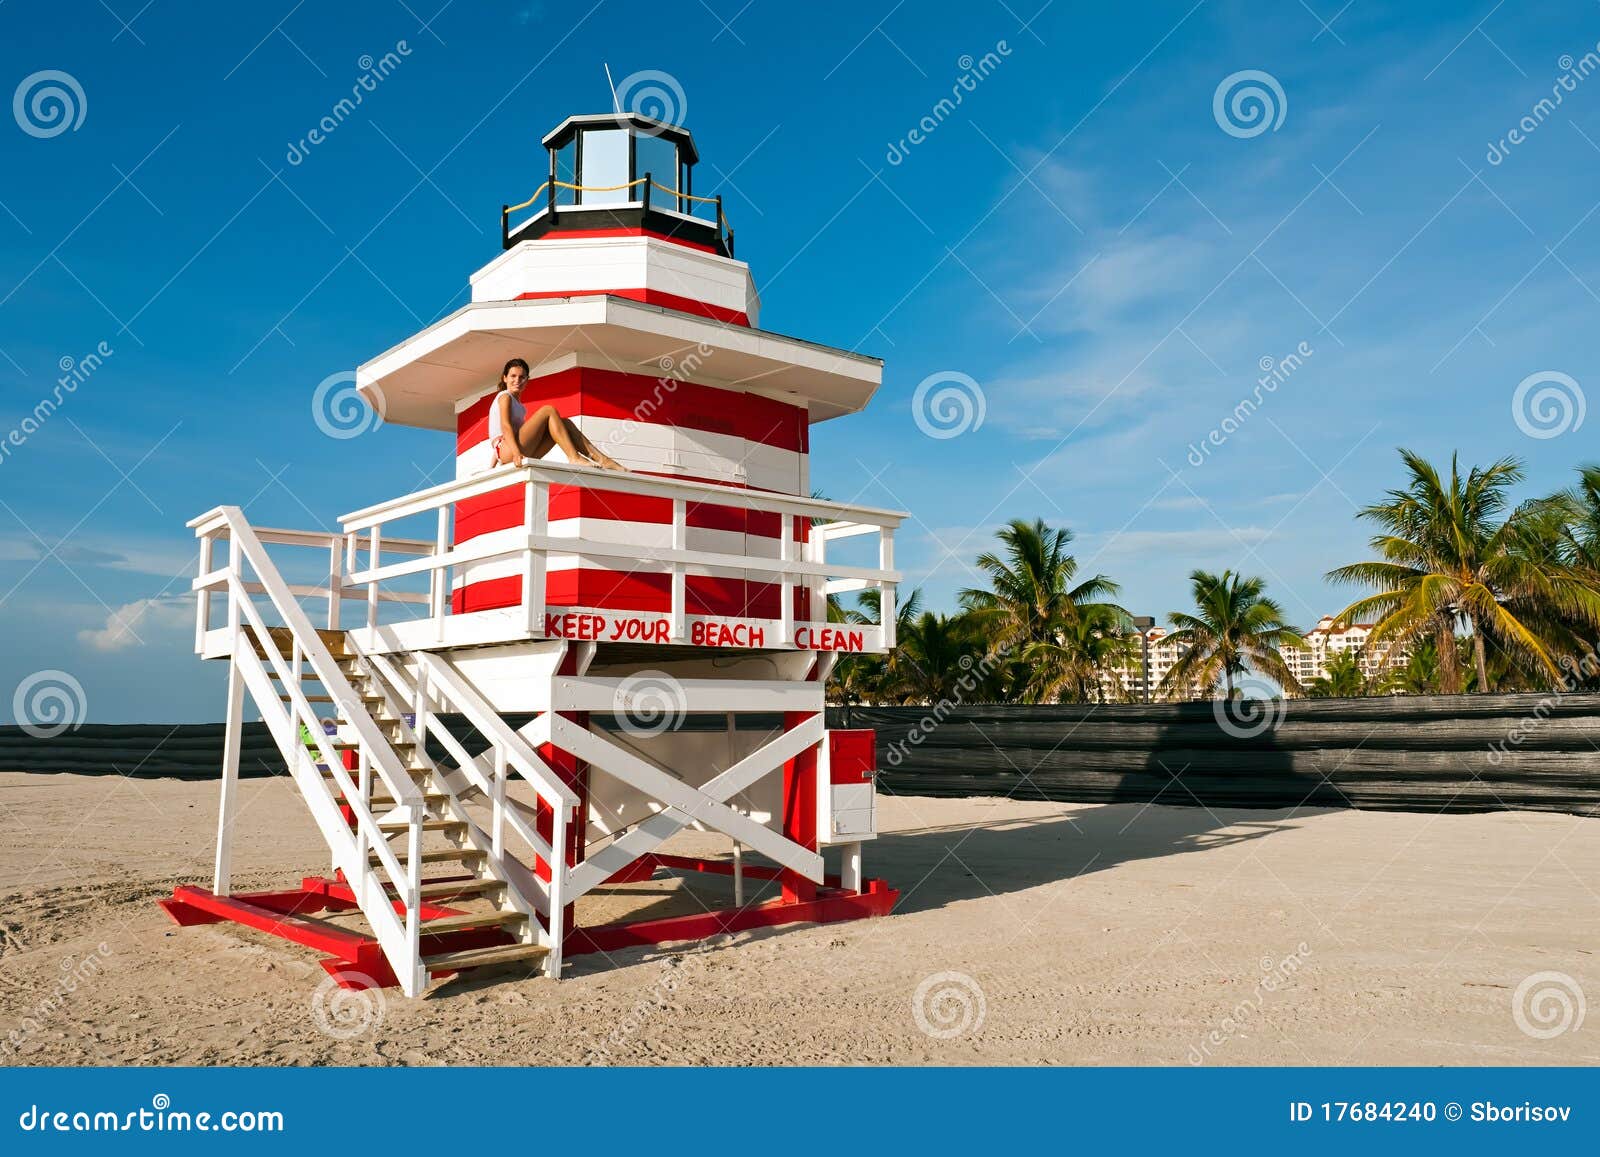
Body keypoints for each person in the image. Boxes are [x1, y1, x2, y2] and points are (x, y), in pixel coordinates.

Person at [488, 357, 625, 471]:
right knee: (548, 410)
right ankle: (574, 457)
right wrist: (516, 454)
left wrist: (492, 466)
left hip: (510, 451)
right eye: (513, 376)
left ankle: (602, 460)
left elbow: (506, 435)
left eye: (522, 377)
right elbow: (505, 427)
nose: (517, 380)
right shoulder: (505, 396)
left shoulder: (520, 406)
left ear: (527, 380)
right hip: (508, 451)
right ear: (505, 378)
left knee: (564, 423)